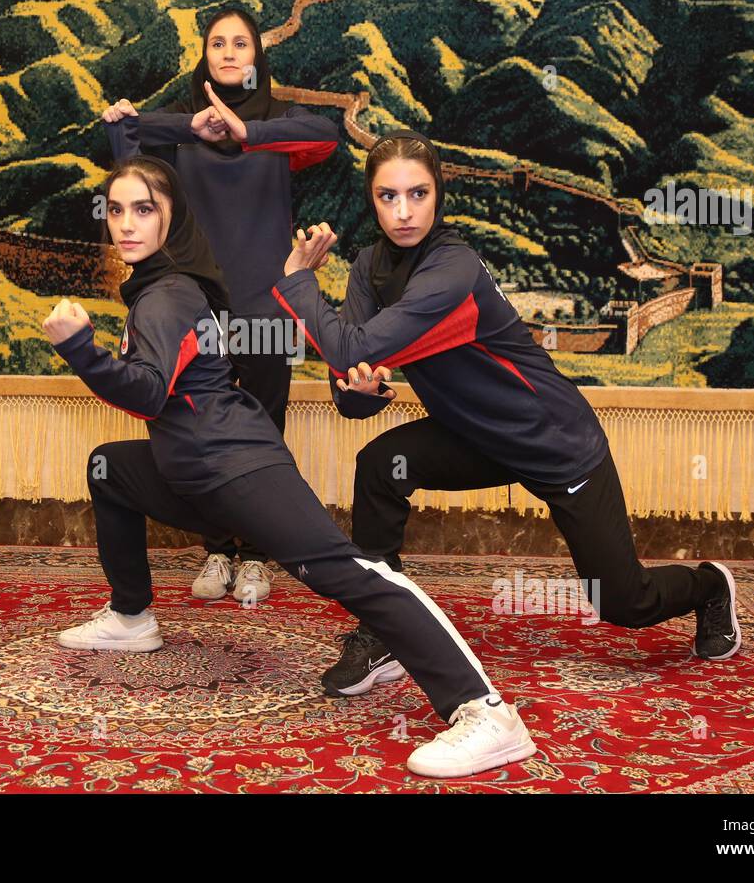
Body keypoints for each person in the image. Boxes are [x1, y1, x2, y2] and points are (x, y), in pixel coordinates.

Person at [42, 154, 537, 778]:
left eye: (144, 209)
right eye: (116, 210)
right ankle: (131, 616)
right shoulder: (159, 288)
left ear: (172, 218)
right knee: (111, 467)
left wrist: (79, 349)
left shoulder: (167, 294)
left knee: (347, 572)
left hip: (237, 467)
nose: (126, 223)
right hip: (190, 472)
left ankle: (487, 713)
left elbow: (146, 393)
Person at [269, 130, 742, 697]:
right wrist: (363, 390)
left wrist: (298, 280)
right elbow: (348, 393)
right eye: (387, 196)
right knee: (381, 465)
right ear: (371, 199)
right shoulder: (369, 267)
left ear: (439, 195)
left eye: (418, 194)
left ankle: (710, 586)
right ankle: (384, 626)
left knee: (624, 602)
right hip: (474, 437)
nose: (403, 211)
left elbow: (349, 346)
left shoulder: (453, 268)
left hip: (553, 441)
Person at [101, 6, 339, 604]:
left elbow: (329, 135)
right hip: (199, 306)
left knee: (263, 428)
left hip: (266, 306)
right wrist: (189, 127)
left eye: (241, 44)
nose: (229, 53)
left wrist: (246, 132)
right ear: (204, 57)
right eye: (217, 44)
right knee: (196, 424)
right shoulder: (183, 128)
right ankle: (216, 548)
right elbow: (125, 146)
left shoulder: (279, 123)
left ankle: (256, 554)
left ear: (257, 56)